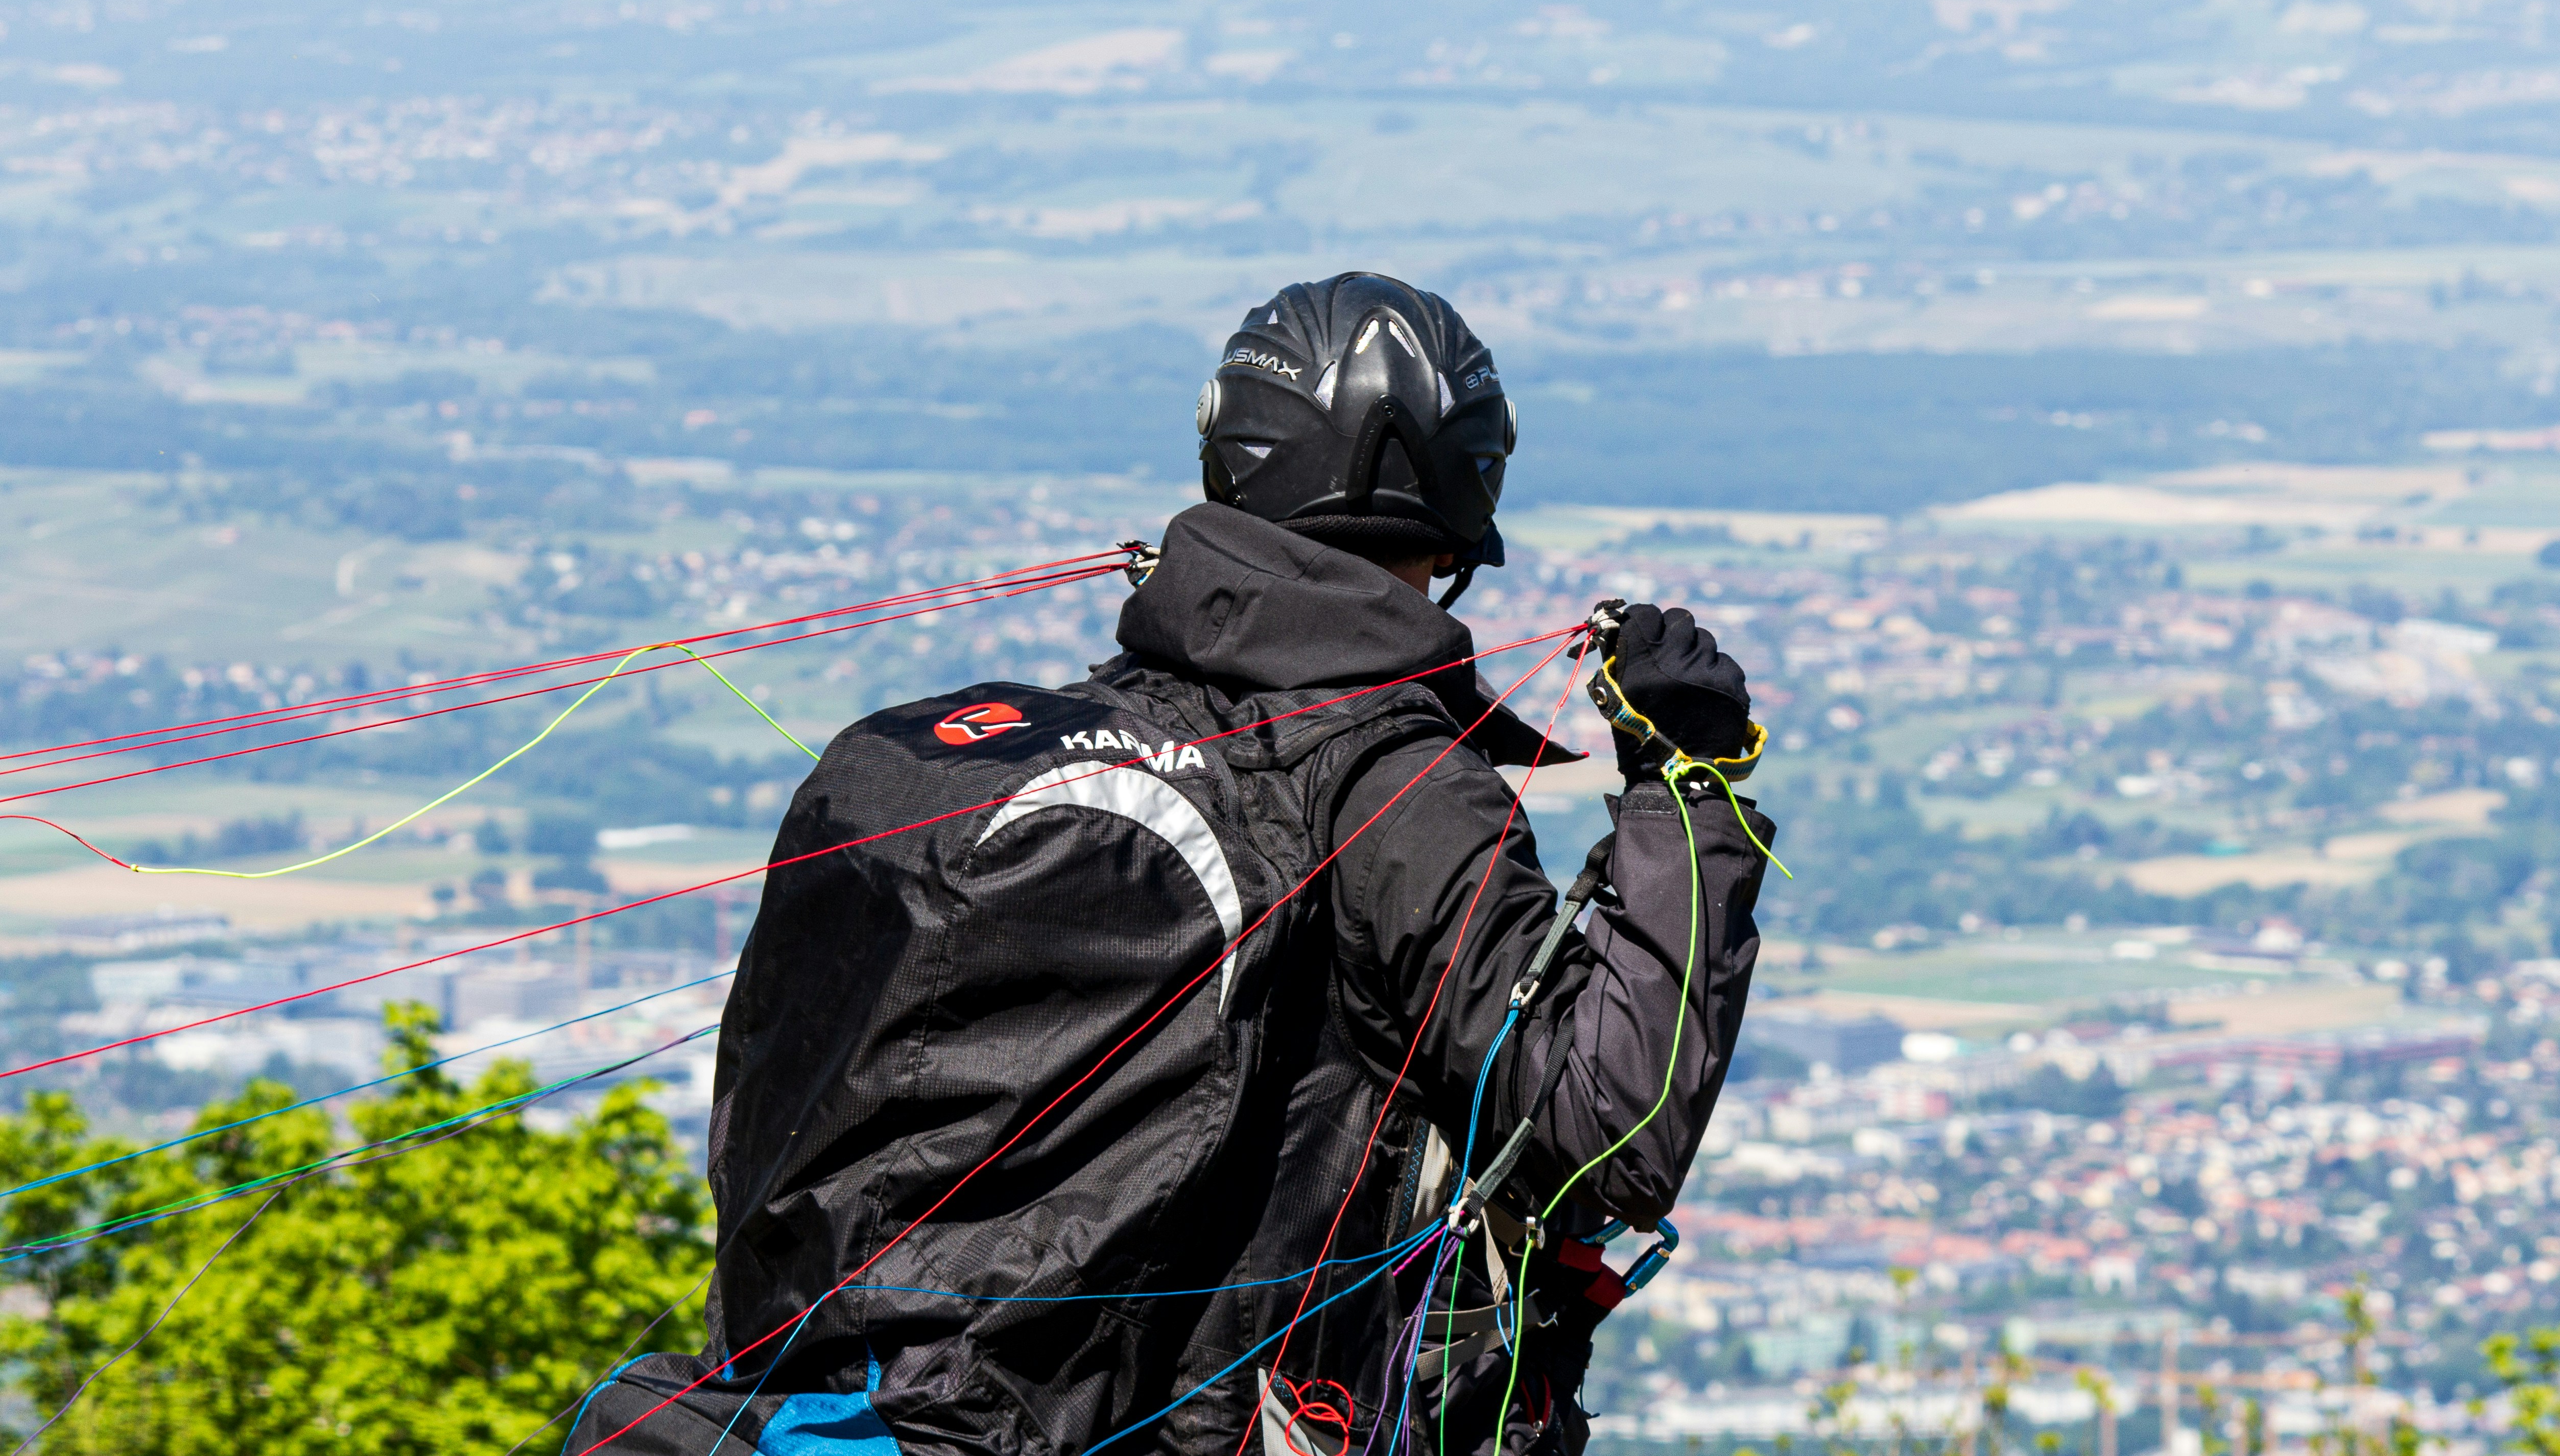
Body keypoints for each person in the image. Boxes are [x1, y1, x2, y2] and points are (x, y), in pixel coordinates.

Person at [570, 274, 1773, 1456]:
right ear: (1472, 486)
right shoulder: (1383, 784)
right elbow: (1612, 1128)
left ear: (1229, 457)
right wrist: (1689, 792)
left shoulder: (1035, 749)